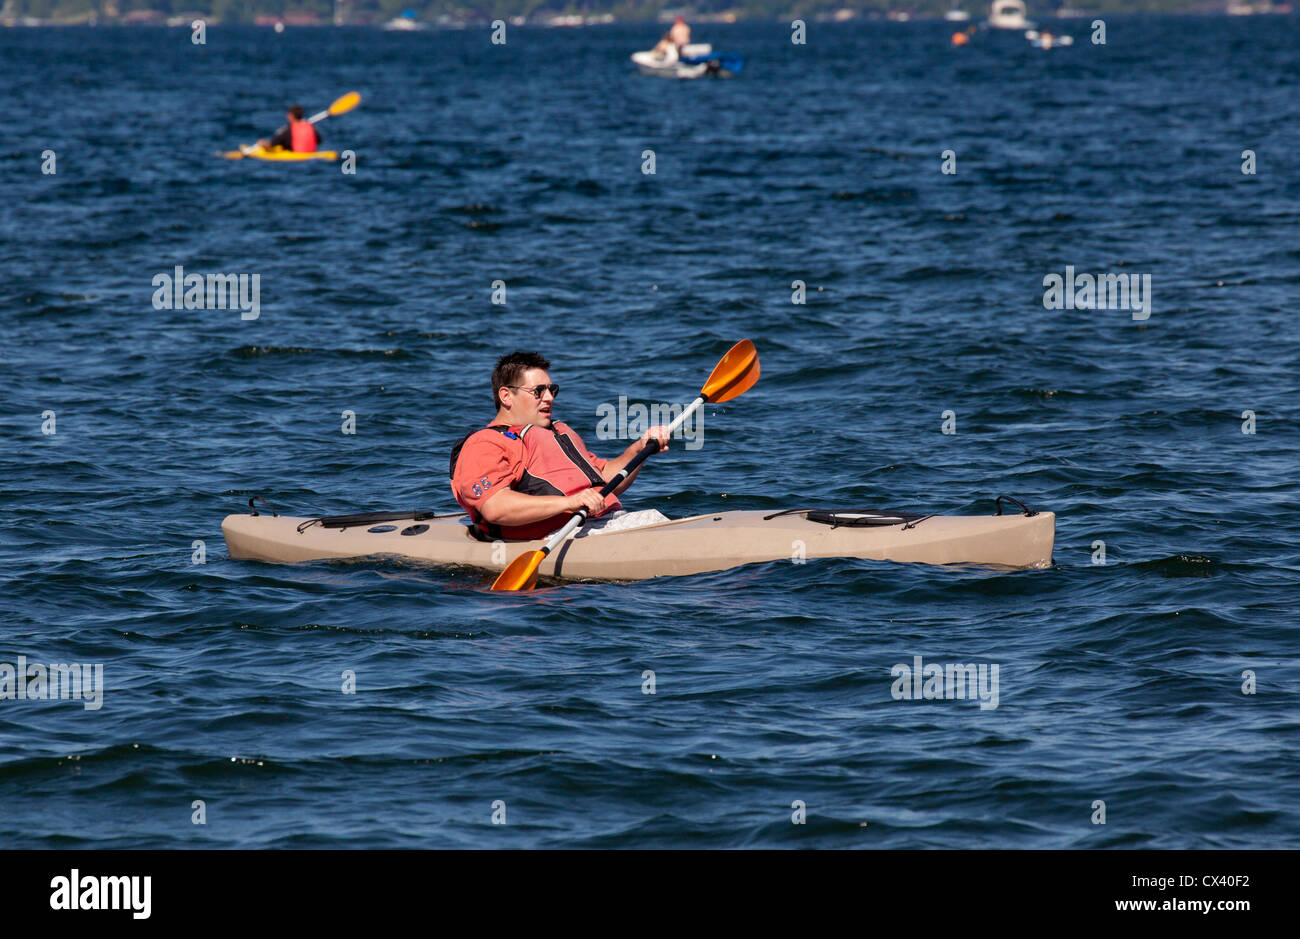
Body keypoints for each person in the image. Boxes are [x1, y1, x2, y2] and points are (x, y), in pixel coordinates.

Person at [449, 351, 672, 542]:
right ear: (506, 396)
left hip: (607, 523)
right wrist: (571, 502)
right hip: (557, 536)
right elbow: (495, 507)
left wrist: (641, 449)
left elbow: (605, 480)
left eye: (552, 389)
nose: (549, 398)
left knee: (657, 519)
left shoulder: (558, 431)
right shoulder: (485, 443)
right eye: (538, 391)